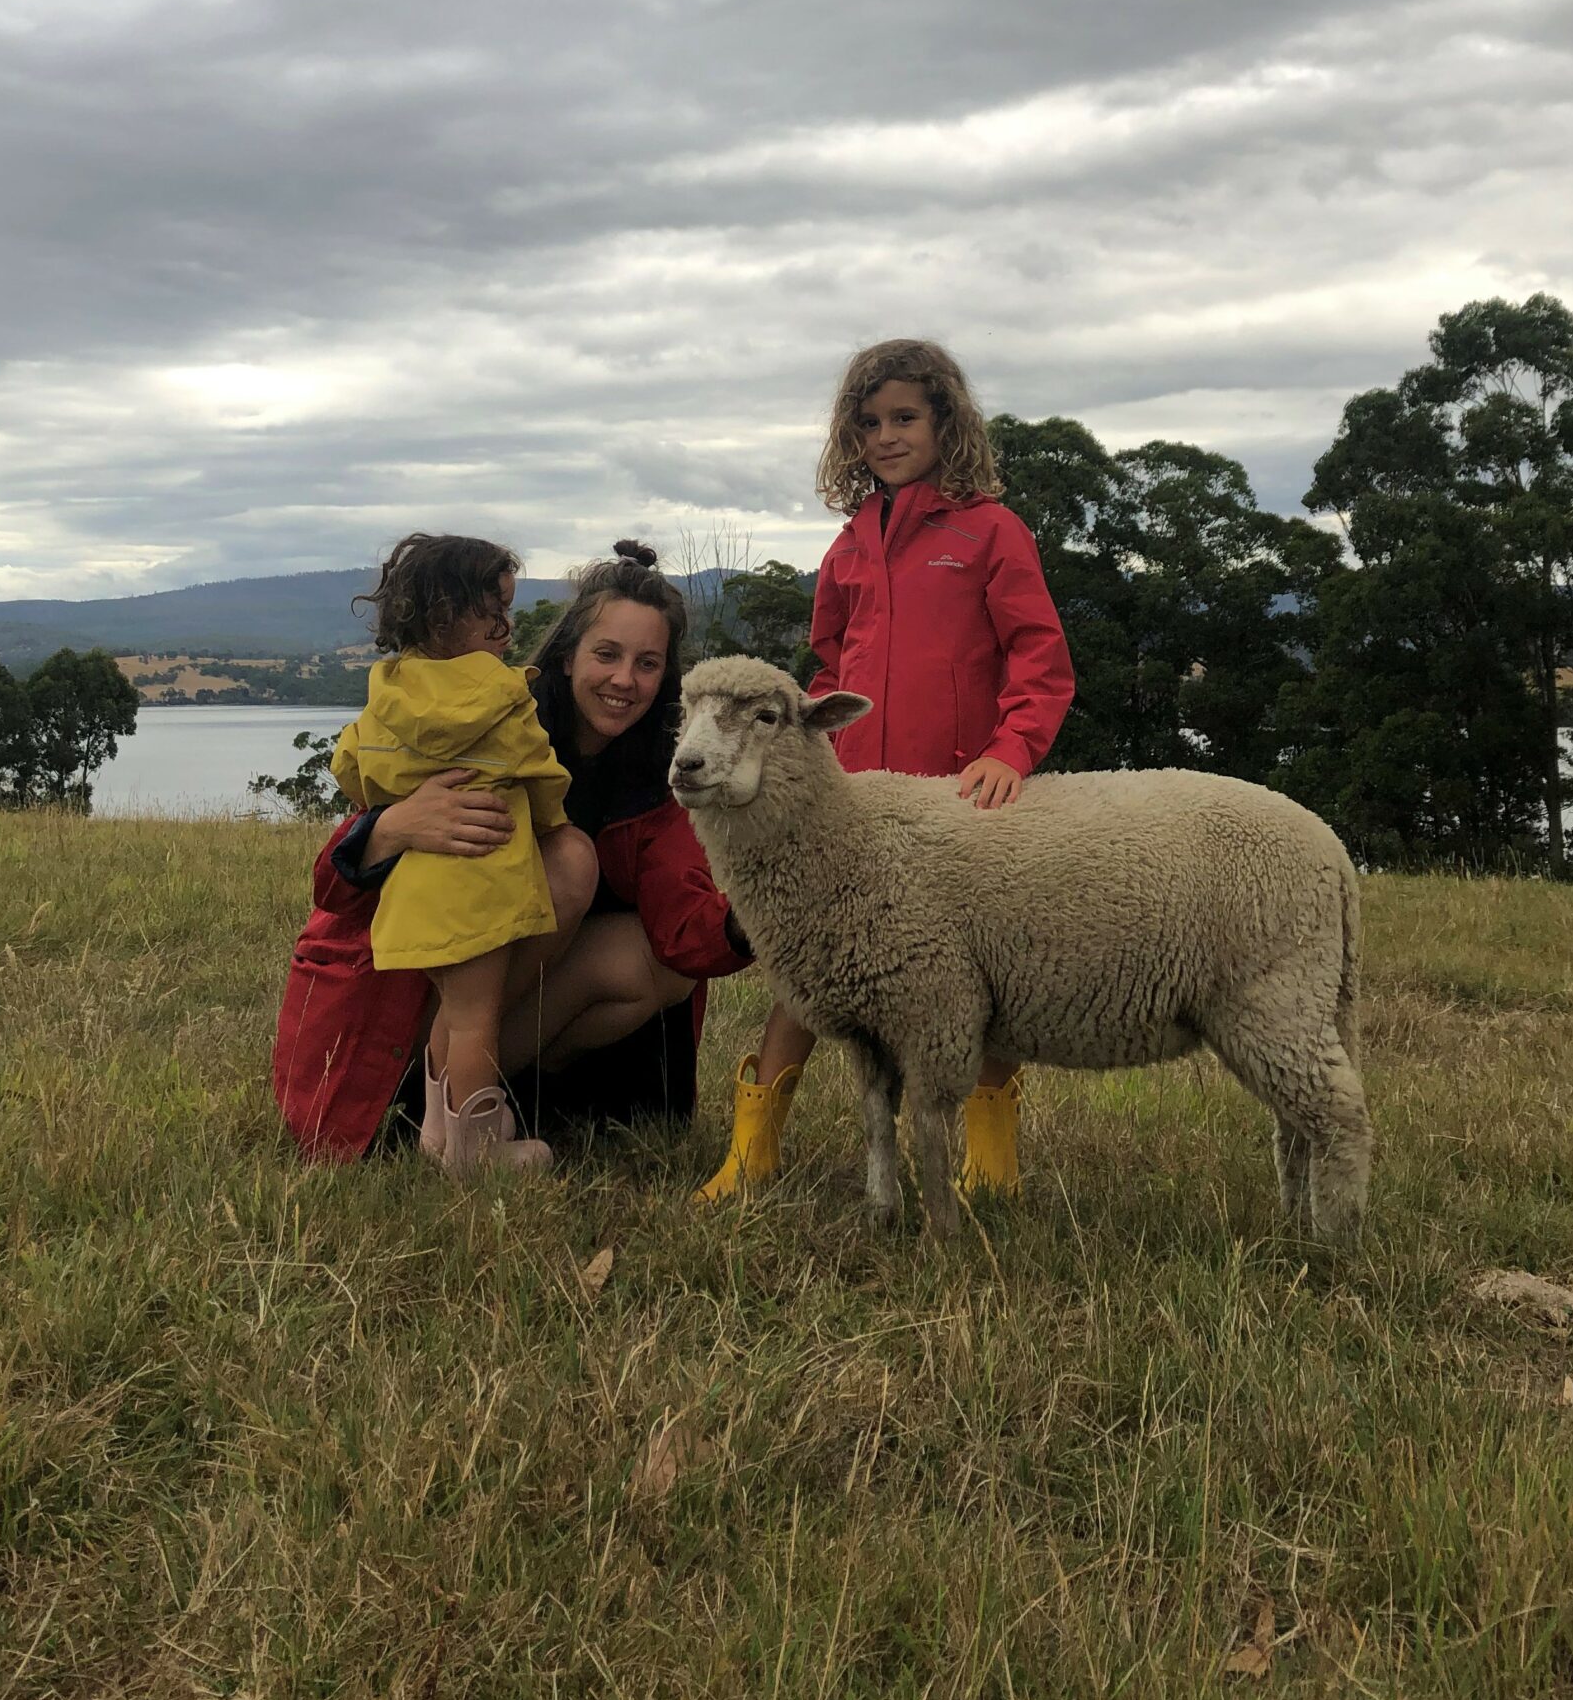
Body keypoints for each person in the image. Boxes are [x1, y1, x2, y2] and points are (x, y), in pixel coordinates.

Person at [695, 338, 1074, 1205]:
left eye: (905, 417)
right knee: (807, 967)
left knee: (981, 975)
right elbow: (828, 664)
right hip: (854, 802)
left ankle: (993, 1160)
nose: (886, 436)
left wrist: (1010, 750)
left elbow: (1039, 656)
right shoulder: (850, 544)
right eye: (868, 424)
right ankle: (753, 1150)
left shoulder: (992, 530)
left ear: (947, 420)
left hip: (961, 800)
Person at [273, 541, 750, 1163]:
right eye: (606, 654)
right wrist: (392, 827)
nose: (624, 681)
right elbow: (331, 892)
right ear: (567, 652)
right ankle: (434, 1108)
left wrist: (751, 924)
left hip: (488, 1014)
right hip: (398, 1016)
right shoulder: (483, 718)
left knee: (655, 966)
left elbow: (678, 915)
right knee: (571, 859)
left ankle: (495, 1101)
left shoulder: (658, 775)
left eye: (648, 663)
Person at [329, 532, 599, 1175]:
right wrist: (549, 820)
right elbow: (539, 771)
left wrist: (396, 800)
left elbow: (349, 766)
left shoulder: (388, 690)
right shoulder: (502, 693)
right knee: (477, 1020)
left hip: (415, 892)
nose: (508, 627)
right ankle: (477, 1154)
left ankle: (438, 1138)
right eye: (496, 611)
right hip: (481, 883)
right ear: (448, 616)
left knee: (454, 1009)